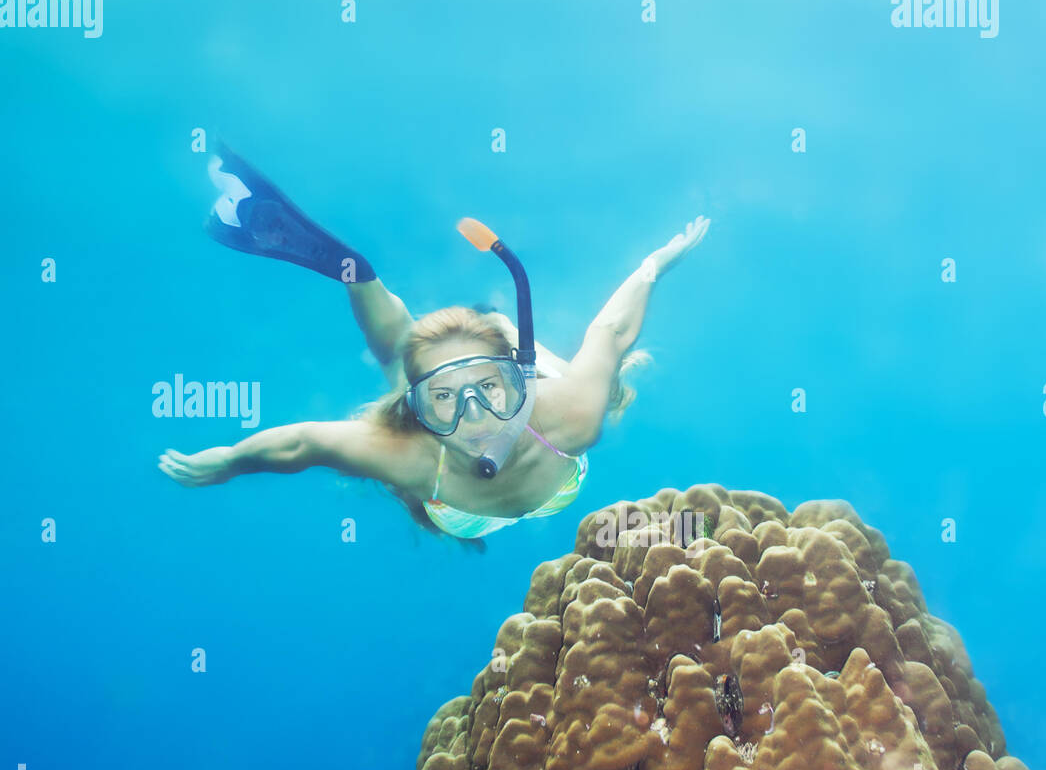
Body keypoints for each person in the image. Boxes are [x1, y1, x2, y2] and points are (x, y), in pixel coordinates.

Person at [159, 144, 709, 543]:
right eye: (444, 399)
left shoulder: (570, 416)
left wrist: (653, 265)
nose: (475, 414)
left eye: (489, 389)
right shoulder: (415, 459)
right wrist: (232, 461)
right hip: (450, 474)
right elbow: (303, 443)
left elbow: (610, 332)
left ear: (520, 383)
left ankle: (497, 331)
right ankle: (359, 275)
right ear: (417, 413)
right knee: (408, 352)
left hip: (526, 393)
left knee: (460, 349)